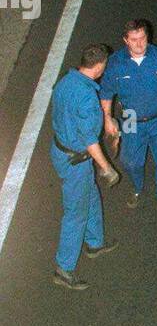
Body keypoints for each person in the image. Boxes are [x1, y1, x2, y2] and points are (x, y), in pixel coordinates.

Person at [99, 19, 157, 221]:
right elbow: (106, 93)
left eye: (142, 38)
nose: (139, 44)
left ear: (147, 37)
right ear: (126, 40)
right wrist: (107, 118)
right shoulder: (115, 63)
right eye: (134, 40)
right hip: (132, 118)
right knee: (131, 161)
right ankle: (137, 187)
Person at [50, 43, 120, 290]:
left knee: (90, 195)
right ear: (99, 67)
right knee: (75, 213)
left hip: (60, 148)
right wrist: (107, 168)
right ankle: (64, 268)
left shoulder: (66, 81)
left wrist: (106, 119)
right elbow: (90, 141)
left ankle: (95, 242)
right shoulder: (88, 96)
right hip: (76, 160)